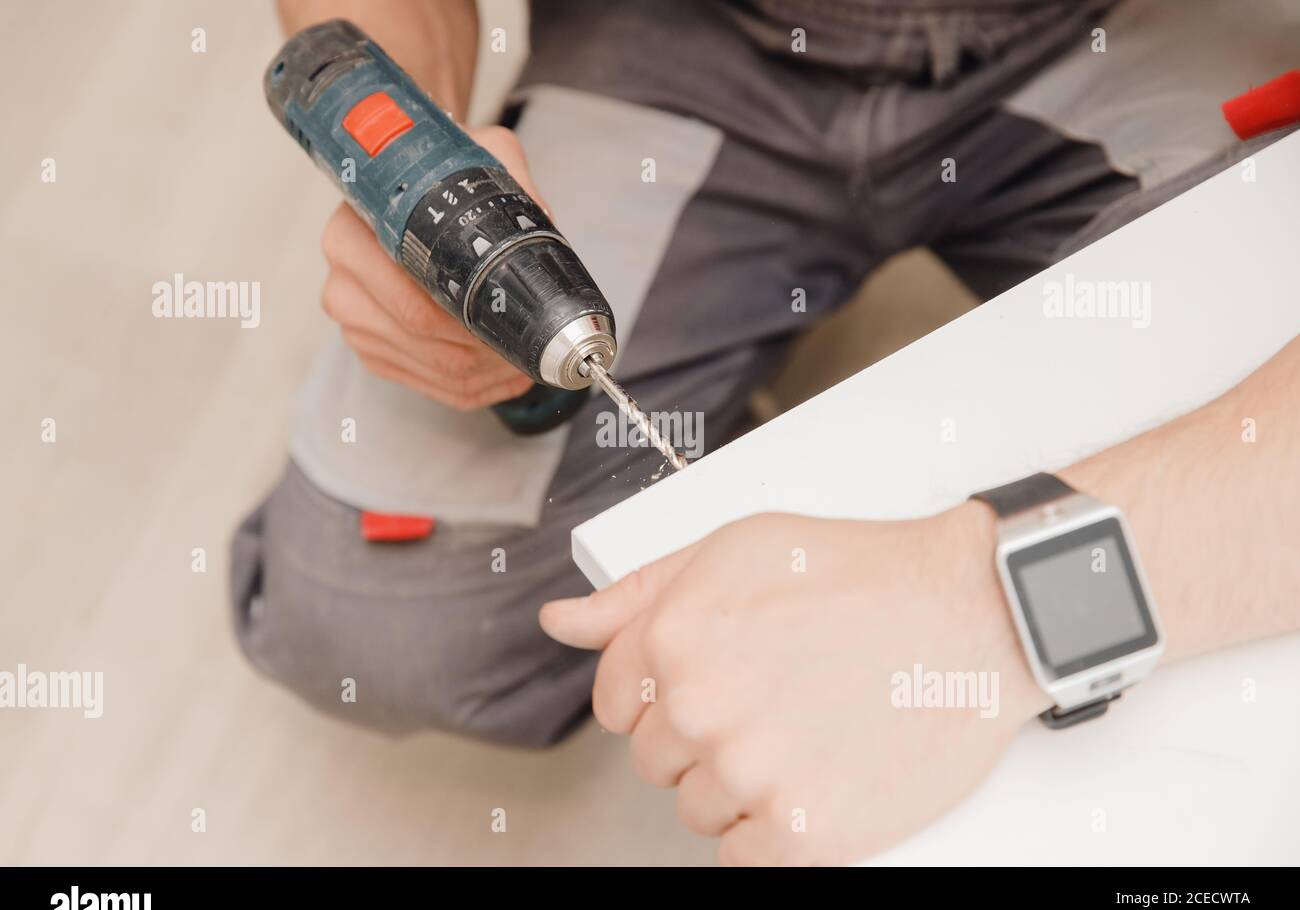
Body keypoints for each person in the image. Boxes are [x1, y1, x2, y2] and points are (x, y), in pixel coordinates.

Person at [230, 0, 1297, 857]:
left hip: (1138, 26)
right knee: (375, 617)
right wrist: (417, 156)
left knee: (1223, 610)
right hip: (682, 42)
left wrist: (984, 604)